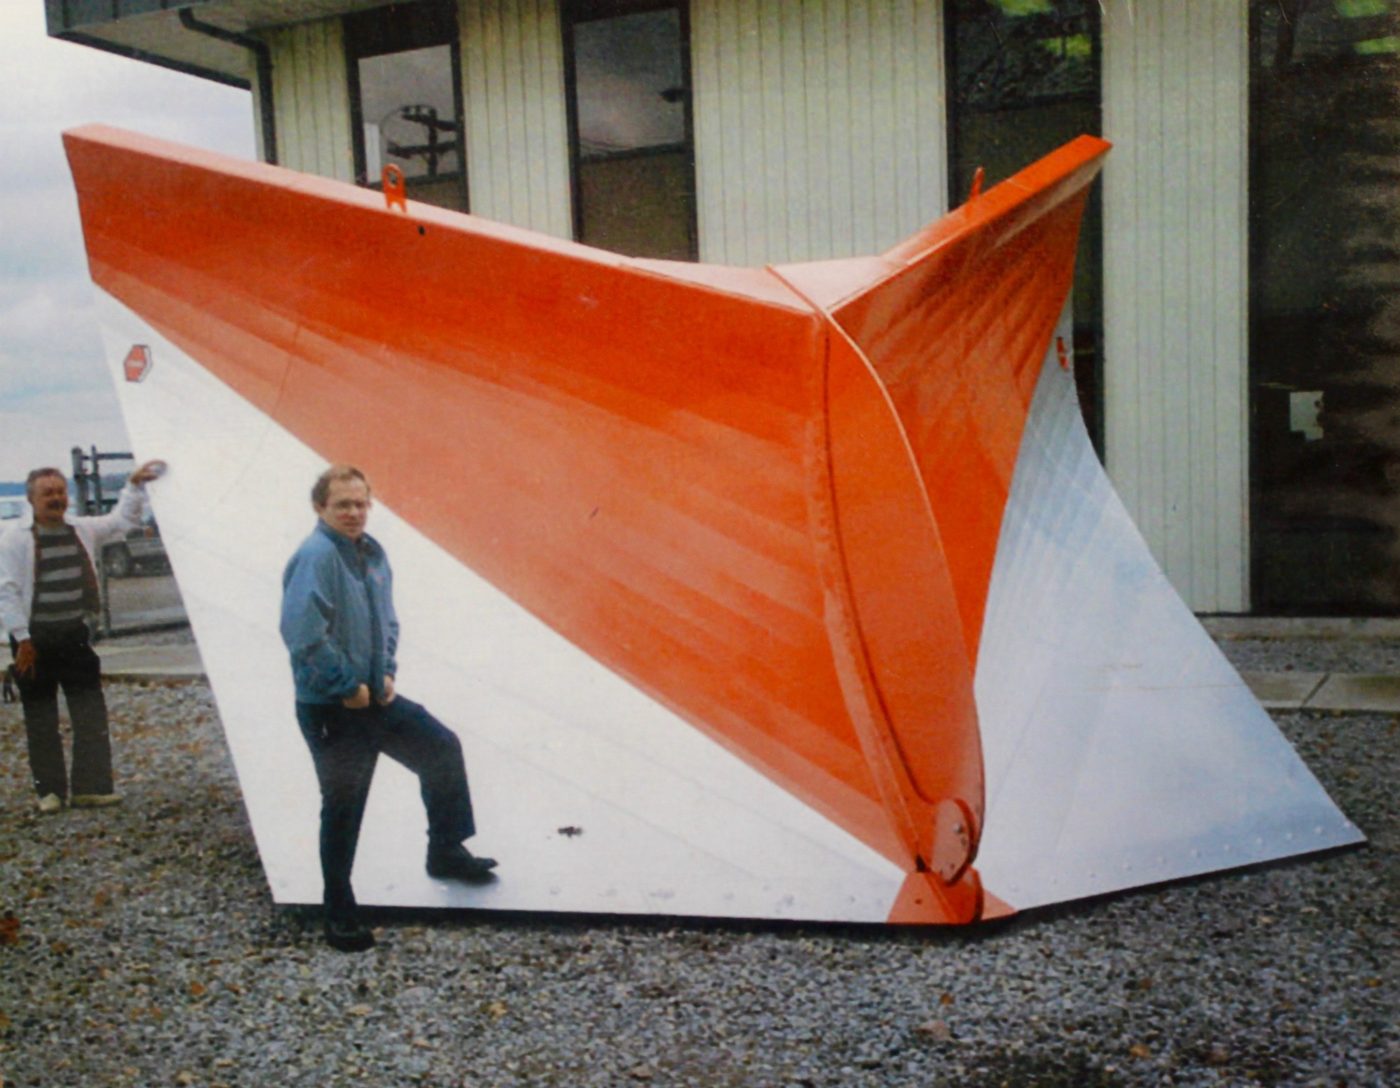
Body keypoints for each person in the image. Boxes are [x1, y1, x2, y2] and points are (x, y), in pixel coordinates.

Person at [281, 464, 496, 952]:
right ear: (320, 508)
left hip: (375, 696)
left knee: (440, 749)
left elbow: (387, 619)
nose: (354, 513)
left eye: (360, 503)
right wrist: (343, 685)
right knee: (344, 802)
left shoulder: (371, 552)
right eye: (343, 505)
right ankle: (338, 909)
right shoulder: (315, 556)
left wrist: (386, 671)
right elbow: (302, 634)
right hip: (332, 706)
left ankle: (445, 849)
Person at [0, 460, 166, 814]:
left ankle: (91, 787)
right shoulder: (14, 539)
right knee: (41, 717)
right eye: (48, 493)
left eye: (60, 492)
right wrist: (22, 639)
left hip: (74, 636)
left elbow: (121, 521)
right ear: (31, 499)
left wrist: (133, 486)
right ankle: (50, 792)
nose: (56, 499)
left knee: (90, 712)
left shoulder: (81, 529)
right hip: (34, 641)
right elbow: (6, 591)